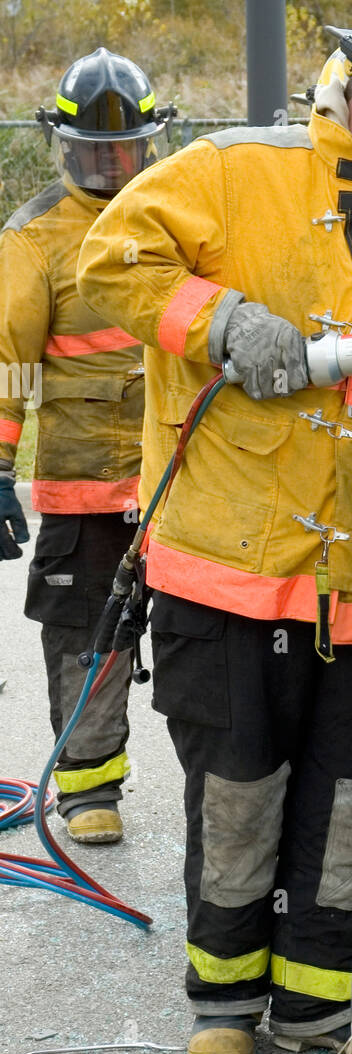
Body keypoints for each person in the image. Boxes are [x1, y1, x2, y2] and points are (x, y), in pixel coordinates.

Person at [77, 0, 352, 1054]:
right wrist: (222, 322)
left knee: (345, 803)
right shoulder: (235, 171)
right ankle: (223, 996)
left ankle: (315, 1002)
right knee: (239, 790)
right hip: (231, 567)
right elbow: (108, 260)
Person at [0, 48, 174, 843]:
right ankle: (87, 790)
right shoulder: (33, 239)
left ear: (148, 145)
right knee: (86, 644)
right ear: (63, 148)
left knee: (202, 642)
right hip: (82, 489)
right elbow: (10, 365)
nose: (110, 163)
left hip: (178, 485)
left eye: (124, 148)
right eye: (93, 150)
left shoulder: (174, 213)